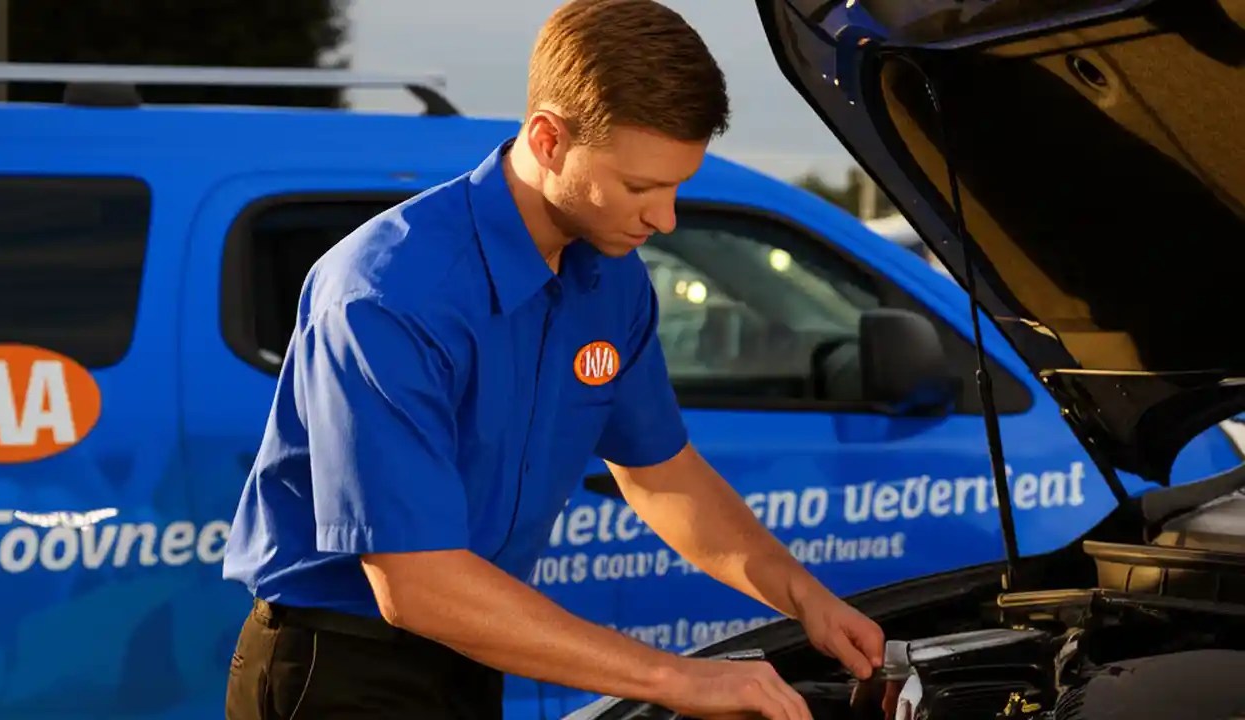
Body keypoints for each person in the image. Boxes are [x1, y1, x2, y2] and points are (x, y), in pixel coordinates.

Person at [221, 1, 888, 718]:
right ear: (547, 139)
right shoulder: (387, 294)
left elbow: (663, 476)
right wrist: (679, 679)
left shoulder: (613, 279)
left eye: (676, 187)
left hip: (472, 653)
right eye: (640, 187)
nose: (664, 219)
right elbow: (416, 585)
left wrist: (805, 598)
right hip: (338, 667)